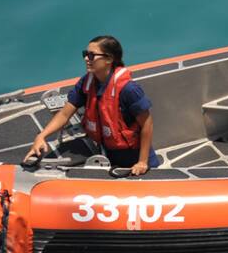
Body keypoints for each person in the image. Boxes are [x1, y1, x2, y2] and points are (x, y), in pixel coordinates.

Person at [24, 36, 160, 177]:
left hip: (136, 160)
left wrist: (143, 162)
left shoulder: (129, 89)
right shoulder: (86, 83)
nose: (86, 59)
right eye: (85, 54)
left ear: (109, 59)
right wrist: (42, 136)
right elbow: (65, 114)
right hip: (108, 157)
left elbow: (147, 124)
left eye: (91, 55)